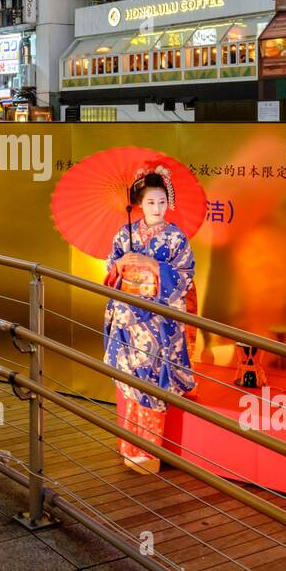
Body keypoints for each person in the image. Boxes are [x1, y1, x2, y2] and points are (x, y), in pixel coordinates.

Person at [103, 168, 197, 474]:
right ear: (139, 204)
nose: (157, 207)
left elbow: (185, 277)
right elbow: (109, 271)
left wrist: (153, 265)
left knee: (152, 380)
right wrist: (119, 264)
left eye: (161, 201)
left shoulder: (176, 237)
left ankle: (148, 454)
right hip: (127, 319)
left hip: (158, 323)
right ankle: (128, 447)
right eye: (151, 202)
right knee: (129, 381)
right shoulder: (124, 233)